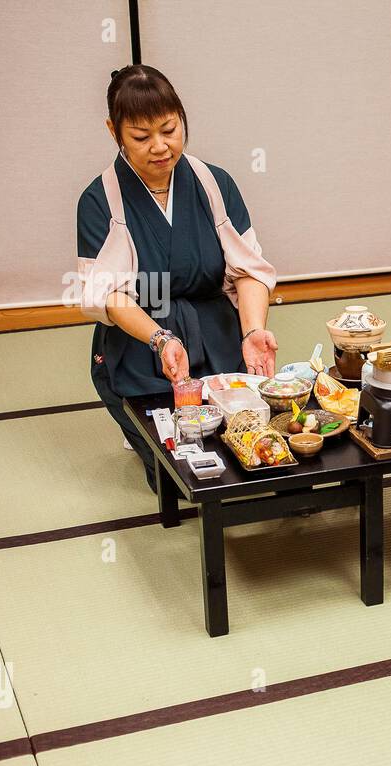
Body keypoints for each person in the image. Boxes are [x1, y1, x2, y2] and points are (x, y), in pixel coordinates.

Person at [76, 65, 277, 490]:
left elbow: (249, 270)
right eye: (141, 136)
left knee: (251, 457)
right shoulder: (100, 200)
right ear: (114, 131)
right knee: (180, 477)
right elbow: (109, 296)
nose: (160, 147)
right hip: (144, 345)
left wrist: (253, 330)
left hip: (218, 337)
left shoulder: (213, 183)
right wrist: (161, 339)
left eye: (169, 129)